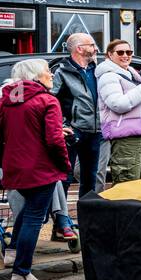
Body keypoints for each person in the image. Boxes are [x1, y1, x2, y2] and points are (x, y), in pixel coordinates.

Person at [0, 59, 70, 280]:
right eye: (47, 72)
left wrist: (6, 162)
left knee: (27, 212)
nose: (51, 76)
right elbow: (55, 140)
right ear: (35, 76)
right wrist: (63, 164)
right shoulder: (47, 100)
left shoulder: (5, 101)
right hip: (41, 170)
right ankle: (21, 273)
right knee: (34, 217)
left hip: (16, 168)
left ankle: (14, 254)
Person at [50, 33, 101, 238]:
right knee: (65, 177)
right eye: (92, 44)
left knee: (90, 178)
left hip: (95, 130)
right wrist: (62, 125)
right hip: (73, 131)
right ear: (79, 49)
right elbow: (51, 101)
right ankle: (61, 225)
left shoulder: (97, 69)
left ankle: (86, 222)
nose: (96, 48)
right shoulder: (61, 71)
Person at [98, 39, 141, 185]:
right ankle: (123, 208)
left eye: (129, 52)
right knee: (126, 182)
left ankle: (138, 208)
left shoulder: (132, 73)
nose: (126, 55)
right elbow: (118, 104)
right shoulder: (108, 76)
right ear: (110, 55)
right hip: (124, 134)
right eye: (120, 52)